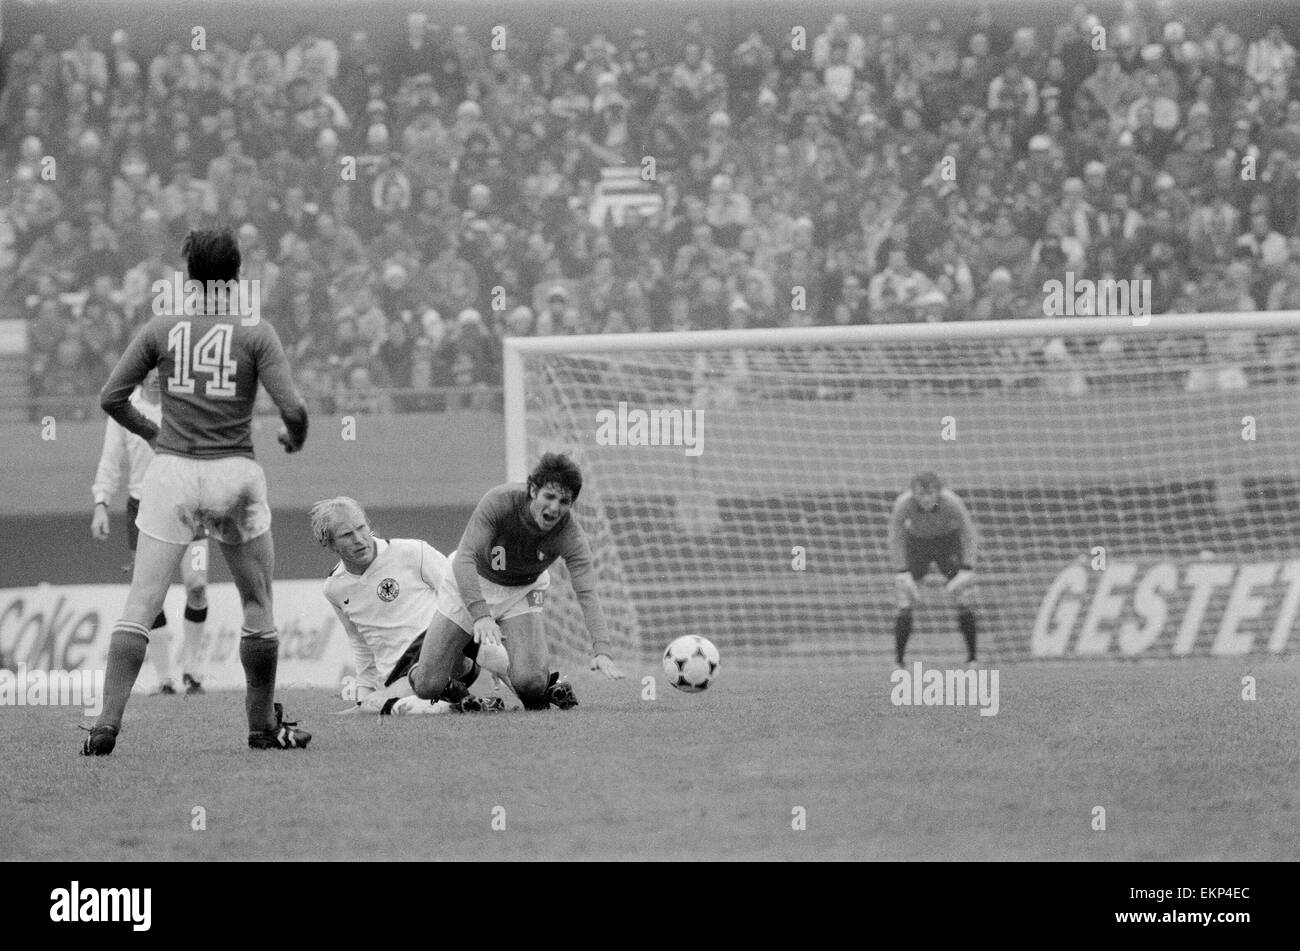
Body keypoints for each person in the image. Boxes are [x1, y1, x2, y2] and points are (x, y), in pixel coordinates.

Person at [83, 228, 310, 755]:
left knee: (140, 603)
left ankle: (105, 725)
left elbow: (111, 396)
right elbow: (294, 409)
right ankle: (259, 727)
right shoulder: (257, 333)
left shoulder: (161, 328)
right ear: (236, 277)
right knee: (257, 602)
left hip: (172, 472)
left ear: (189, 277)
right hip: (234, 473)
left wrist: (152, 432)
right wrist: (293, 438)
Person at [408, 452, 625, 710]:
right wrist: (481, 615)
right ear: (533, 490)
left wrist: (602, 650)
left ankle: (538, 680)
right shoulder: (499, 502)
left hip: (521, 591)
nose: (555, 508)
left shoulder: (571, 536)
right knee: (427, 686)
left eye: (564, 501)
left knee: (530, 684)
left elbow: (587, 593)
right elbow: (465, 557)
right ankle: (467, 663)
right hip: (470, 581)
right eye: (549, 496)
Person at [311, 496, 510, 715]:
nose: (359, 539)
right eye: (347, 535)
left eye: (361, 528)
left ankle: (537, 691)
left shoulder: (412, 552)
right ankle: (460, 705)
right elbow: (361, 645)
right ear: (328, 543)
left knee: (473, 639)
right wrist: (364, 696)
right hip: (402, 673)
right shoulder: (334, 588)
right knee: (370, 706)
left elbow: (460, 594)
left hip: (443, 649)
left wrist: (490, 645)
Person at [91, 368, 209, 696]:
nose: (157, 376)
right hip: (144, 510)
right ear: (141, 374)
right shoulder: (123, 412)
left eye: (164, 370)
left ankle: (193, 670)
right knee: (150, 595)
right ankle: (166, 678)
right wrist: (101, 503)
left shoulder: (183, 405)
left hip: (189, 506)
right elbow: (110, 461)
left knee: (197, 585)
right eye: (151, 371)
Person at [888, 472, 981, 666]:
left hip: (947, 545)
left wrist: (968, 567)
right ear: (914, 494)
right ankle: (899, 662)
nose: (926, 499)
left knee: (963, 598)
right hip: (917, 545)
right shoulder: (903, 504)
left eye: (930, 494)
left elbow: (969, 533)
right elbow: (896, 537)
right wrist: (901, 570)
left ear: (939, 492)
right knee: (904, 601)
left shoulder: (952, 502)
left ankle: (972, 659)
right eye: (921, 494)